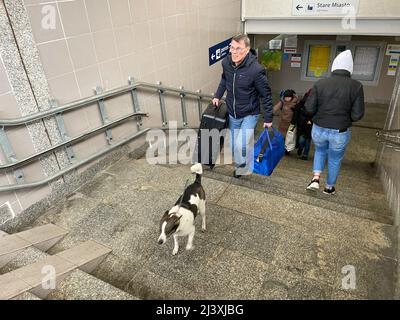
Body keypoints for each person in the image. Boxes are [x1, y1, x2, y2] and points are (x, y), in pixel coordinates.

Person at [212, 34, 273, 178]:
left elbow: (265, 94)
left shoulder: (256, 70)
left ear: (246, 50)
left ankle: (244, 165)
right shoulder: (226, 62)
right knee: (234, 146)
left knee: (240, 145)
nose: (234, 51)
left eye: (238, 48)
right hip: (233, 113)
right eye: (232, 47)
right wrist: (217, 96)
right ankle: (241, 166)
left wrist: (268, 117)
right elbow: (224, 80)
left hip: (250, 114)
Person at [305, 50, 365, 195]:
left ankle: (315, 178)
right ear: (350, 68)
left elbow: (308, 107)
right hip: (340, 131)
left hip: (319, 128)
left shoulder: (320, 83)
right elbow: (357, 115)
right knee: (334, 159)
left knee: (319, 151)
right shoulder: (356, 86)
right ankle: (329, 187)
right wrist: (344, 119)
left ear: (334, 67)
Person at [291, 89, 313, 160]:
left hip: (312, 123)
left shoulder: (319, 102)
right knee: (301, 140)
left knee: (308, 141)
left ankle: (305, 155)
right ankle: (300, 147)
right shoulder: (304, 100)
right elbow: (298, 107)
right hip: (302, 123)